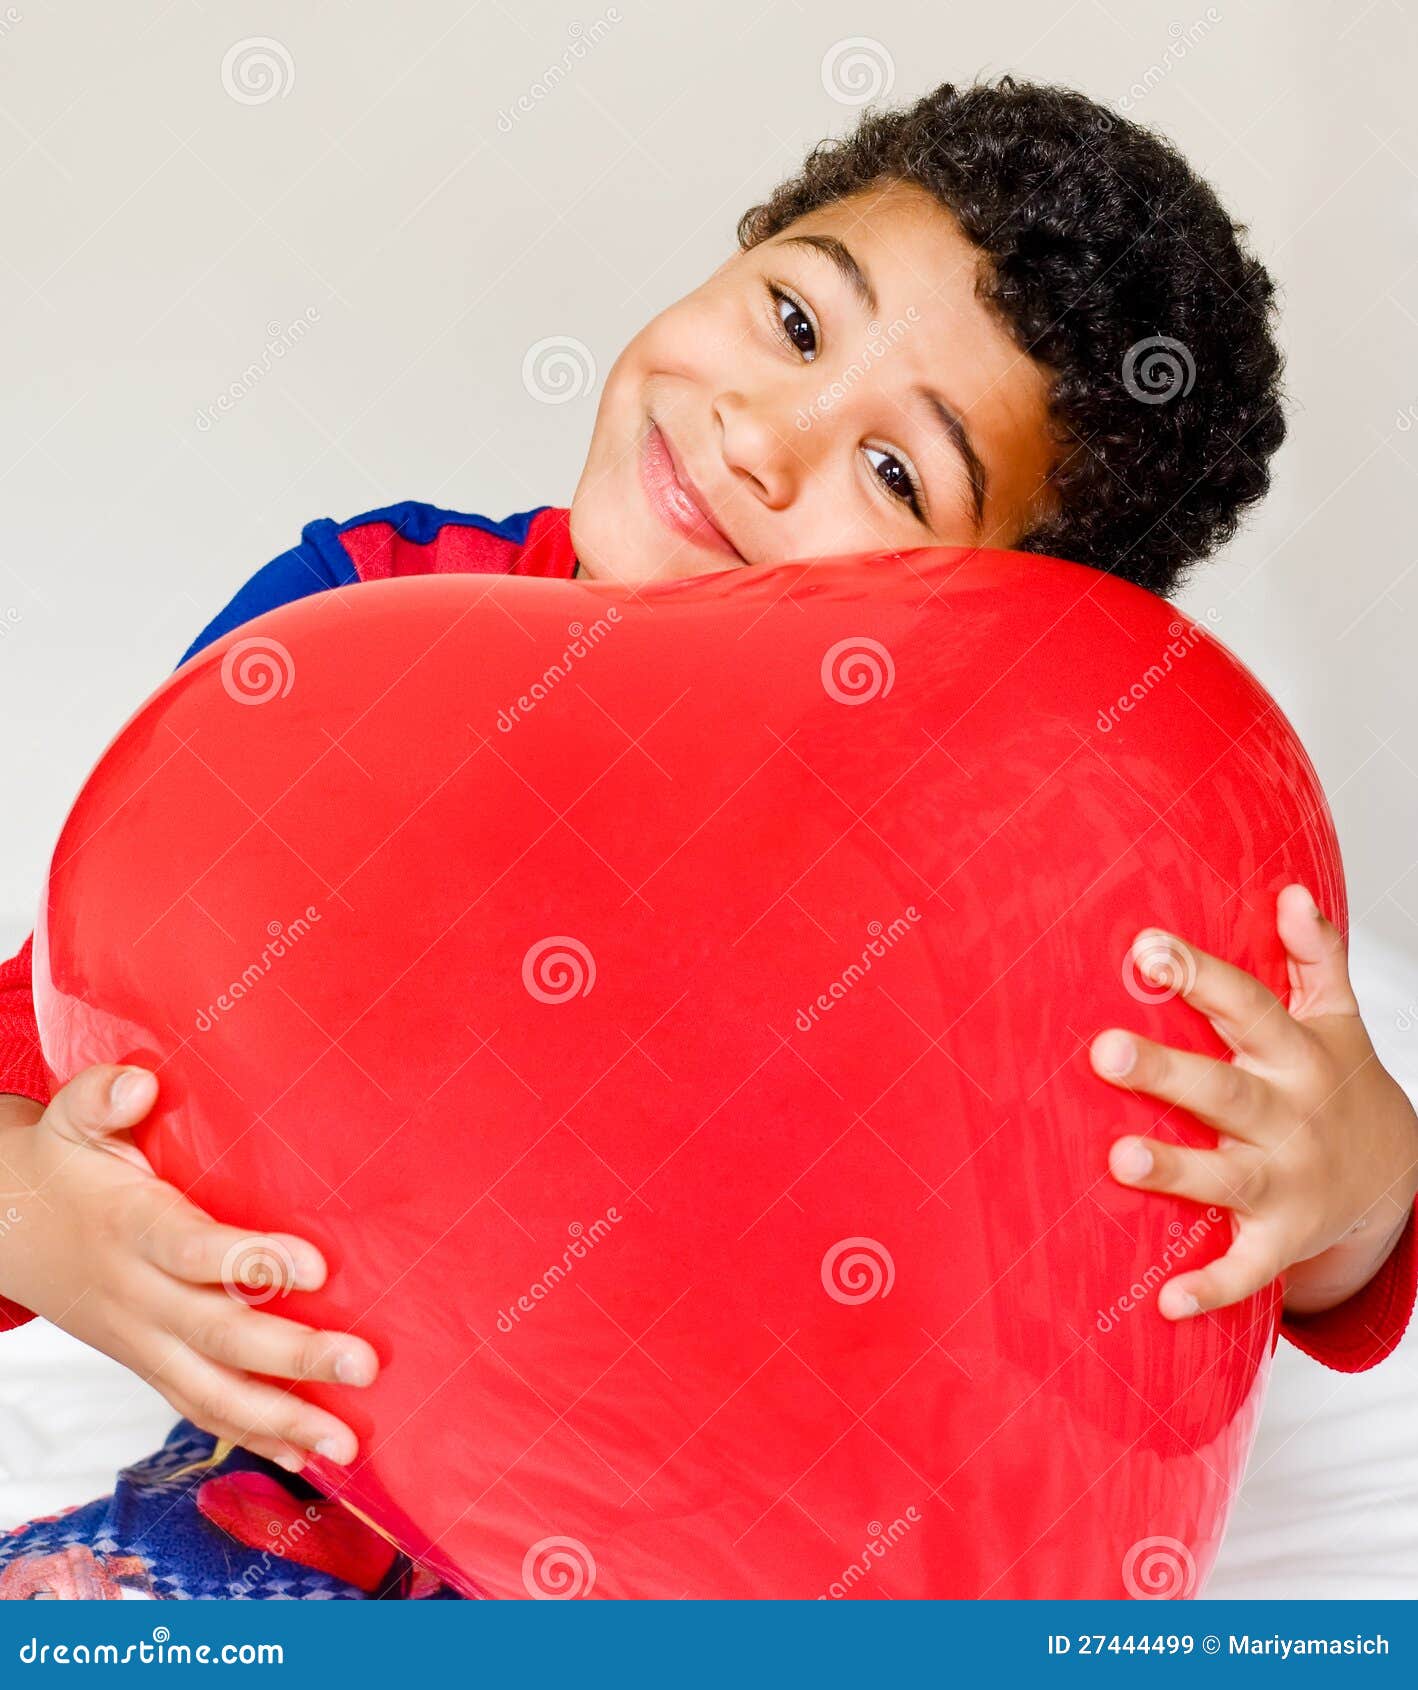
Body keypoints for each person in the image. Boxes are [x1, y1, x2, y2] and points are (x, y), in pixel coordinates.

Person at [0, 77, 1413, 1600]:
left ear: (996, 622)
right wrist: (45, 1230)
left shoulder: (990, 866)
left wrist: (1355, 1188)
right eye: (795, 320)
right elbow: (63, 1027)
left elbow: (1159, 1217)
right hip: (308, 1512)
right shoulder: (352, 633)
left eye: (895, 472)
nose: (760, 439)